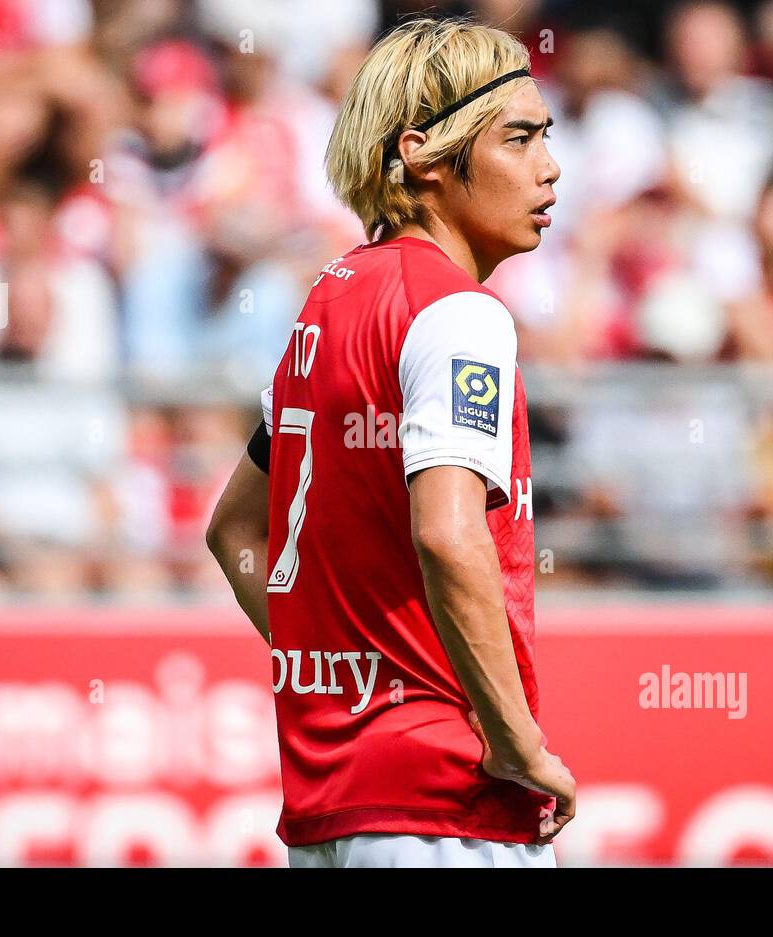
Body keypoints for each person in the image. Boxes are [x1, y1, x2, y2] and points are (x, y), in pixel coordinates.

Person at [206, 17, 573, 868]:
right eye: (518, 138)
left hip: (332, 804)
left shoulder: (326, 303)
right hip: (446, 800)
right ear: (424, 153)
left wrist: (331, 668)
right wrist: (519, 742)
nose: (550, 168)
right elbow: (449, 533)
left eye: (547, 138)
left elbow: (233, 531)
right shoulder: (459, 315)